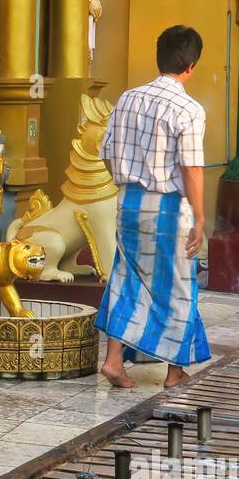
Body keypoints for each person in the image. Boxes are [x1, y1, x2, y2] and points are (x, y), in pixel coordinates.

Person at [96, 25, 211, 389]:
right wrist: (200, 215)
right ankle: (174, 372)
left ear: (159, 58)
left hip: (128, 203)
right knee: (178, 284)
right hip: (168, 207)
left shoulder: (127, 98)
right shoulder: (189, 109)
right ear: (191, 65)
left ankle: (114, 361)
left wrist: (127, 181)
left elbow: (107, 155)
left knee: (125, 276)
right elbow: (191, 168)